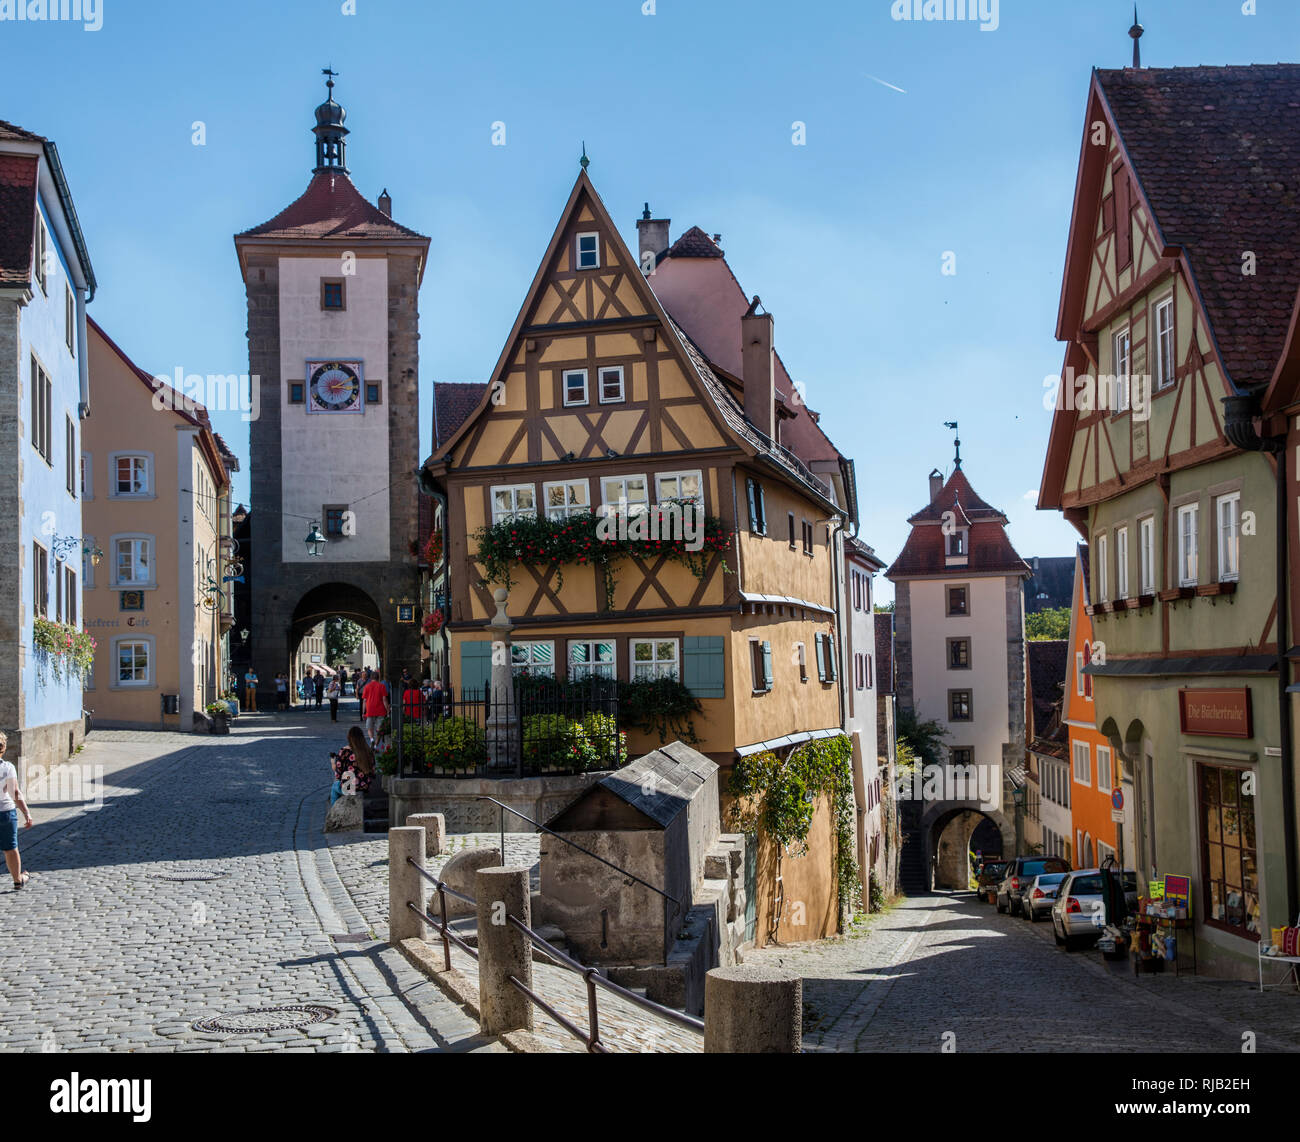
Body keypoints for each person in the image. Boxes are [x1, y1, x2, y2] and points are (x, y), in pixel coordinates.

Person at [0, 732, 34, 889]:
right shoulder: (7, 768)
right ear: (3, 748)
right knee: (11, 847)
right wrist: (26, 812)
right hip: (5, 813)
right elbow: (15, 793)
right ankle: (17, 880)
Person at [329, 727, 376, 805]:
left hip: (349, 787)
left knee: (334, 787)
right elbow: (373, 772)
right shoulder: (368, 751)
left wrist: (333, 763)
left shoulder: (345, 751)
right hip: (365, 786)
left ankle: (335, 811)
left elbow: (338, 774)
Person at [361, 669, 390, 749]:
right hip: (380, 710)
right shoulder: (382, 686)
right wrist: (387, 709)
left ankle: (371, 739)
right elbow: (384, 699)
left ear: (371, 678)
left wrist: (363, 712)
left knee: (369, 728)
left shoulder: (367, 686)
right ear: (378, 678)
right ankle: (376, 745)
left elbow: (364, 700)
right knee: (379, 729)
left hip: (370, 710)